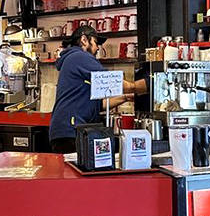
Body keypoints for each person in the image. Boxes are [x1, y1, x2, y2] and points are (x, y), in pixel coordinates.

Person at [49, 25, 146, 153]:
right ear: (84, 40)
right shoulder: (79, 56)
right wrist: (147, 84)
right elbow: (111, 81)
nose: (97, 48)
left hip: (65, 132)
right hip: (71, 131)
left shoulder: (73, 60)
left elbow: (97, 105)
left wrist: (125, 97)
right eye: (95, 42)